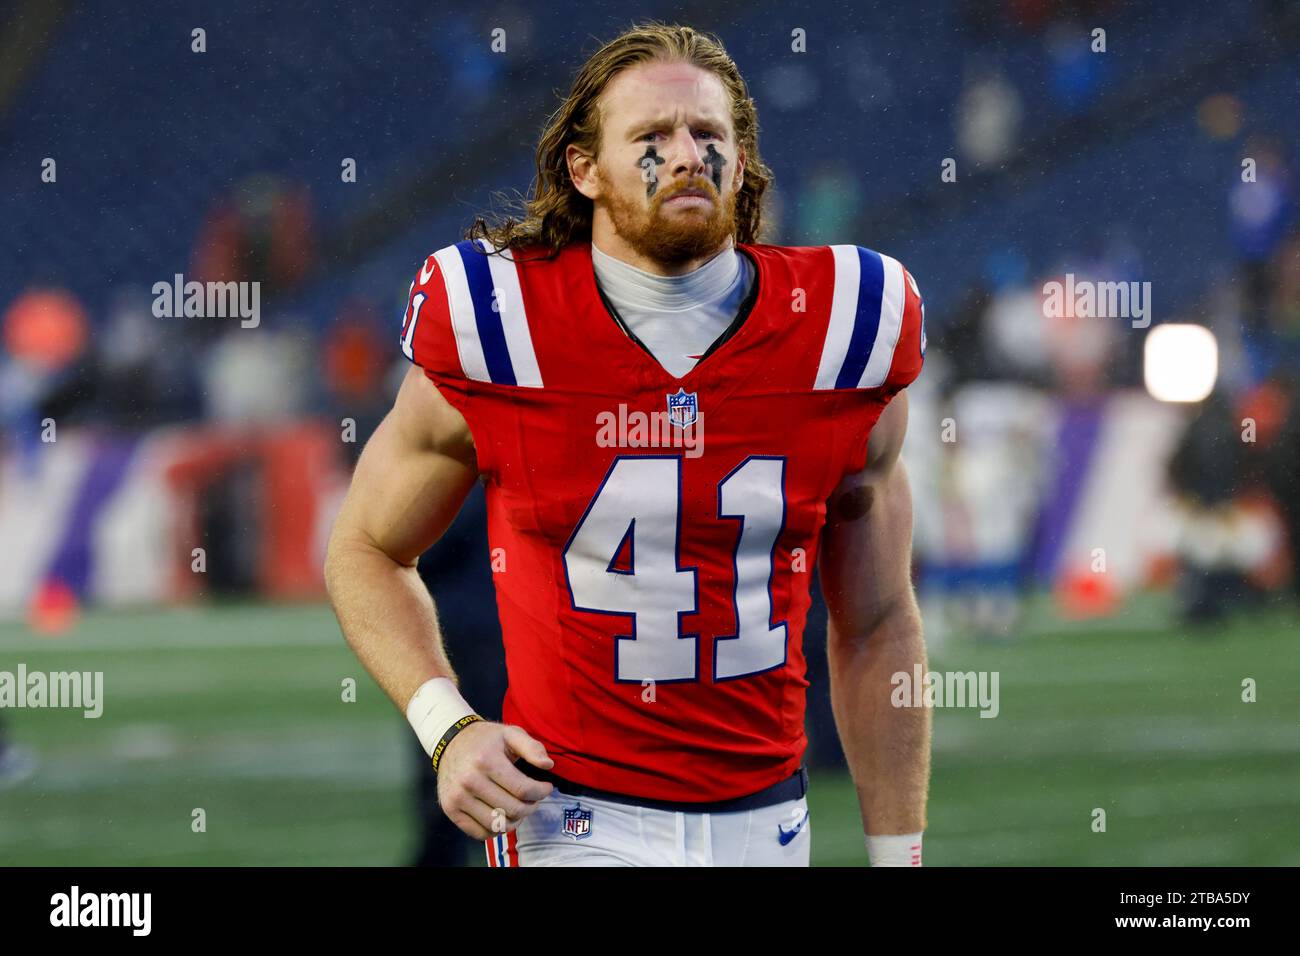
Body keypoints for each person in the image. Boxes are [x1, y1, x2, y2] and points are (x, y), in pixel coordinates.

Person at [326, 22, 929, 867]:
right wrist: (447, 727)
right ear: (585, 170)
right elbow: (364, 548)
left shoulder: (842, 328)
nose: (686, 155)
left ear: (744, 160)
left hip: (768, 825)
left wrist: (898, 855)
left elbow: (876, 621)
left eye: (709, 135)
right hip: (566, 821)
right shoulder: (502, 322)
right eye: (652, 137)